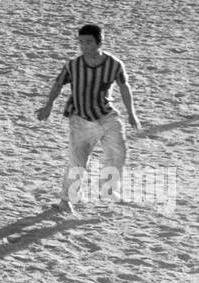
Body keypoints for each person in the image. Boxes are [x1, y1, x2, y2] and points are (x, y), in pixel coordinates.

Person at [35, 24, 142, 213]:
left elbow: (125, 88)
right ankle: (66, 200)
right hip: (81, 120)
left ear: (99, 42)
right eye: (81, 42)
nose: (84, 46)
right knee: (78, 162)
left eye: (89, 42)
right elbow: (58, 84)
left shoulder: (114, 64)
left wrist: (132, 114)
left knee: (118, 154)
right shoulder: (73, 65)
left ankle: (108, 190)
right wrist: (48, 105)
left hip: (108, 117)